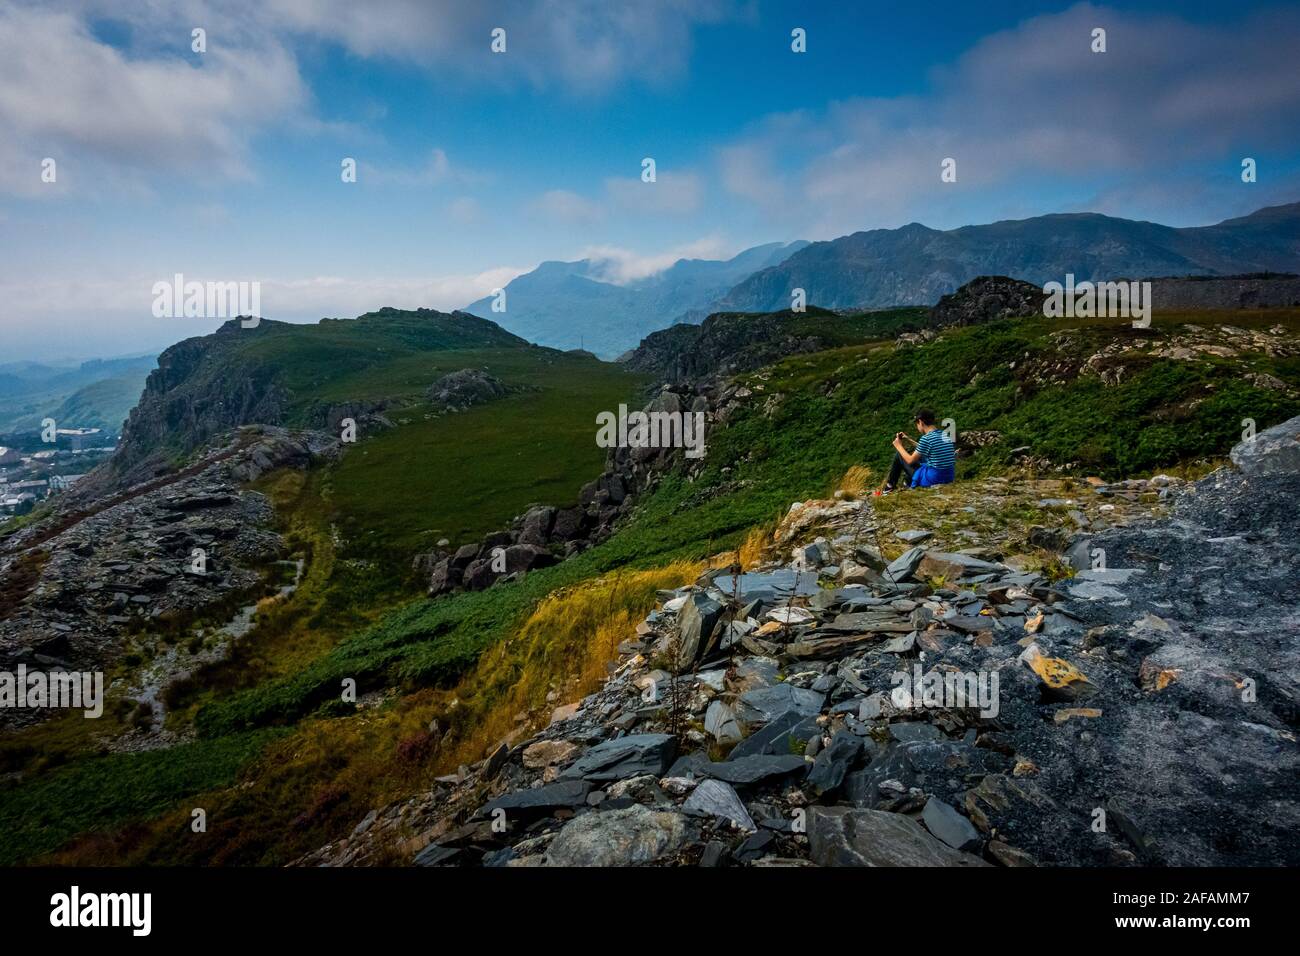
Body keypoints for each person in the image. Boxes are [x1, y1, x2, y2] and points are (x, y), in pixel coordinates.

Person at [876, 408, 956, 494]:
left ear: (920, 422)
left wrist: (898, 446)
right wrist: (908, 439)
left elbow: (910, 460)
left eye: (917, 424)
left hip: (934, 478)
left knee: (900, 454)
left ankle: (889, 486)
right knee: (918, 457)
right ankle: (906, 483)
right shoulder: (945, 436)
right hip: (948, 477)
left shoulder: (926, 438)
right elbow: (927, 448)